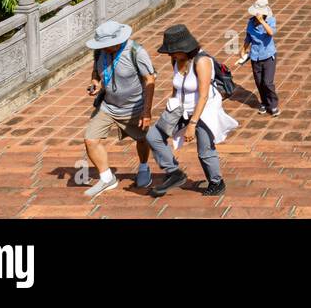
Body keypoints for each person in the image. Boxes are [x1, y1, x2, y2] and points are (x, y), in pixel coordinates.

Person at [146, 24, 237, 197]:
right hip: (181, 108)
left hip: (203, 109)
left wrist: (192, 124)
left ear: (184, 48)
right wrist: (171, 108)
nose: (170, 55)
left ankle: (216, 182)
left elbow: (202, 95)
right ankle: (174, 173)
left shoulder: (202, 62)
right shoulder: (176, 60)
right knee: (153, 136)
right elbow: (177, 86)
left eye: (172, 51)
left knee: (204, 151)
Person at [82, 20, 156, 199]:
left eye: (106, 45)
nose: (103, 48)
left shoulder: (136, 52)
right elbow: (96, 72)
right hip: (107, 106)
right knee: (90, 140)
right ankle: (107, 178)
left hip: (134, 108)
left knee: (142, 139)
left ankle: (144, 167)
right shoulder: (100, 52)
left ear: (117, 41)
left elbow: (150, 80)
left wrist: (146, 111)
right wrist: (95, 82)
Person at [234, 0, 278, 116]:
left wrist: (263, 22)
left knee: (267, 82)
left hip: (268, 56)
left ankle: (273, 104)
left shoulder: (270, 20)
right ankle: (264, 102)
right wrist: (243, 49)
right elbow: (248, 37)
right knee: (259, 82)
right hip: (255, 57)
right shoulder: (250, 22)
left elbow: (271, 32)